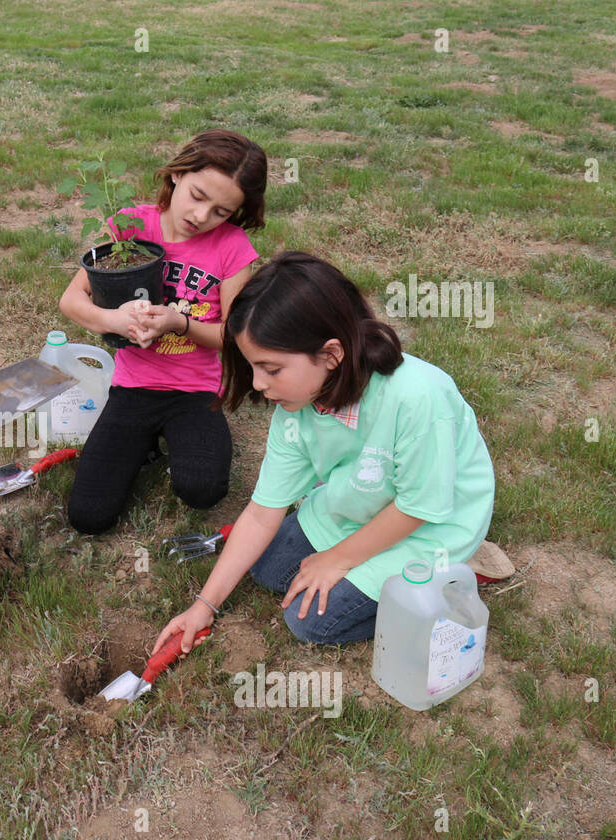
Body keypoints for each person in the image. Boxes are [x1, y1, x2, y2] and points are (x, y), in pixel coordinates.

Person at [153, 251, 495, 657]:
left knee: (311, 621)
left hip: (430, 524)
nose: (258, 383)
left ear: (332, 354)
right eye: (252, 367)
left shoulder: (418, 397)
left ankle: (449, 575)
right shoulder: (296, 406)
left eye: (271, 369)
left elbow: (418, 506)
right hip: (361, 502)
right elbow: (262, 514)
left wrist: (337, 559)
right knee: (267, 568)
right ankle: (360, 556)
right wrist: (203, 607)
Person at [58, 129, 267, 534]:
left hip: (196, 391)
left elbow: (235, 337)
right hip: (133, 385)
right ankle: (147, 445)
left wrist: (179, 323)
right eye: (198, 195)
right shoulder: (131, 225)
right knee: (89, 516)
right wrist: (115, 321)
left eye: (221, 211)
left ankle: (175, 439)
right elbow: (72, 300)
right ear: (177, 174)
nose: (201, 216)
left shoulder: (233, 248)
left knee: (202, 489)